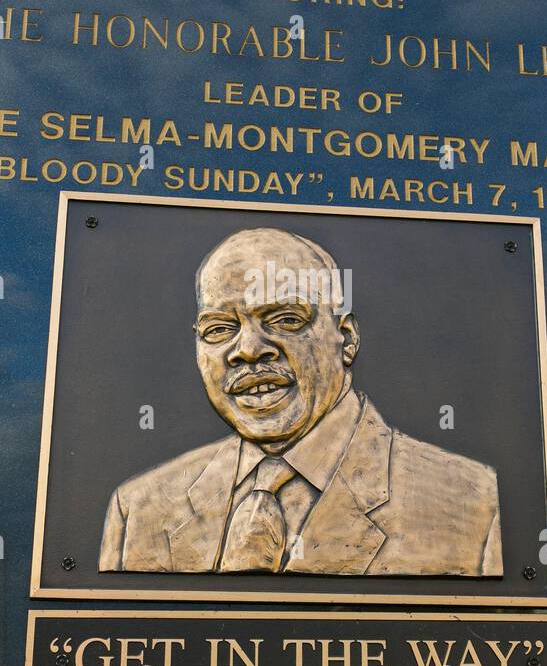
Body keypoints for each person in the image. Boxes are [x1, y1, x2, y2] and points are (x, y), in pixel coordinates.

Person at [98, 227, 502, 576]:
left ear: (347, 338)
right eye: (219, 329)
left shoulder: (474, 505)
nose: (249, 350)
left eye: (286, 319)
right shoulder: (138, 508)